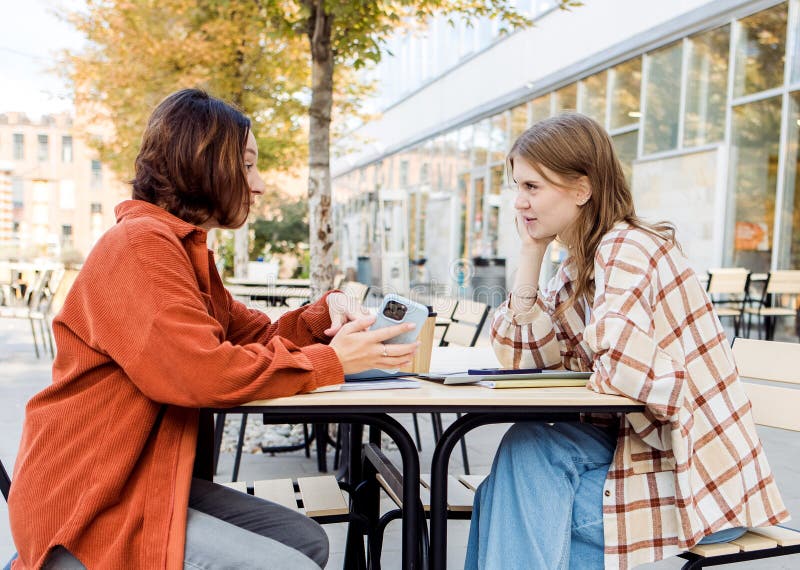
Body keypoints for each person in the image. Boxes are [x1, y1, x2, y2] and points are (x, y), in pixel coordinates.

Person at [6, 89, 419, 570]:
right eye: (246, 165)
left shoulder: (182, 249)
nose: (259, 184)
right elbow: (201, 373)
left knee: (305, 541)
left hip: (141, 480)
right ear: (200, 163)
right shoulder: (141, 246)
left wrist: (323, 317)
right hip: (88, 507)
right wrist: (332, 361)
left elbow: (257, 336)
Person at [465, 113, 789, 570]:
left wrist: (593, 366)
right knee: (528, 450)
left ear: (582, 189)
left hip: (701, 482)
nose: (519, 203)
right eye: (517, 187)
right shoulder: (578, 266)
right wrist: (530, 254)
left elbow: (623, 366)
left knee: (512, 503)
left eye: (532, 187)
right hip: (634, 455)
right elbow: (523, 359)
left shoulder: (628, 247)